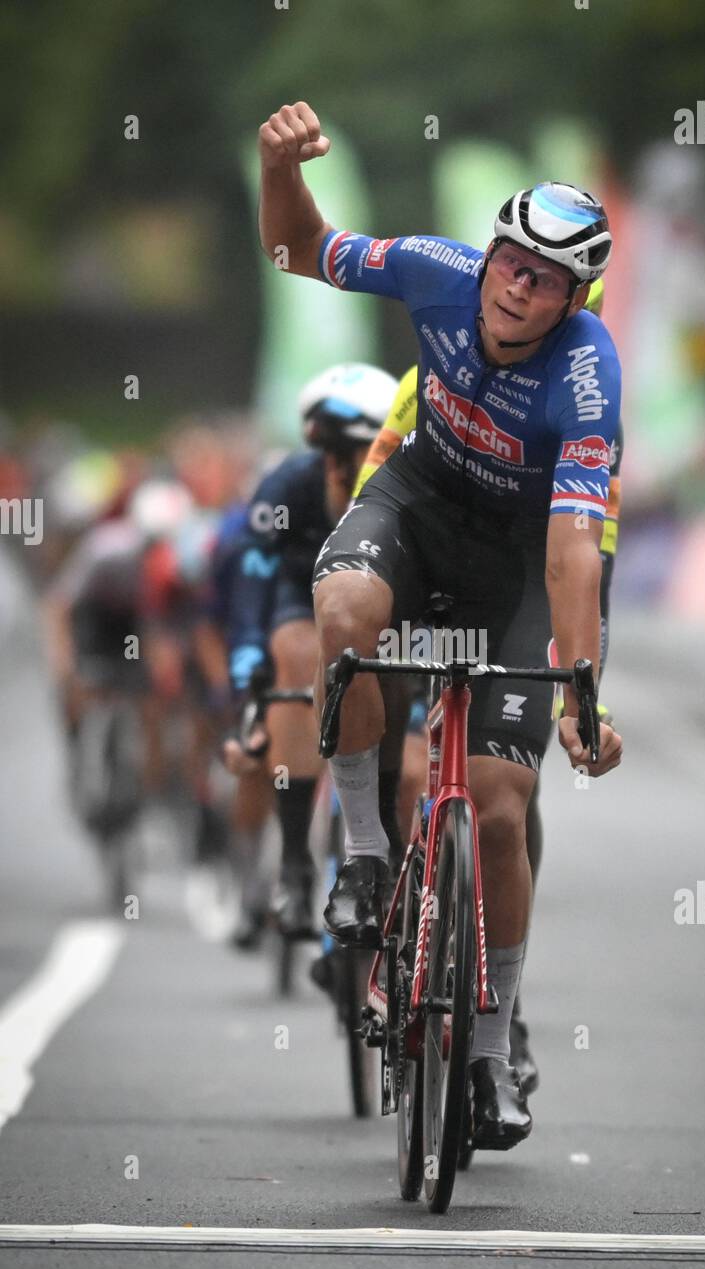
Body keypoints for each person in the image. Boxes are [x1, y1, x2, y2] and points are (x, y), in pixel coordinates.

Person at [257, 100, 623, 1150]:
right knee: (340, 613)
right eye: (510, 259)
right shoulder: (436, 268)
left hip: (520, 556)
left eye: (544, 279)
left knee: (501, 813)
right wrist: (277, 165)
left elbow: (566, 555)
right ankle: (365, 855)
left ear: (574, 296)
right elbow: (296, 245)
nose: (515, 283)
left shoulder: (585, 379)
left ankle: (491, 1042)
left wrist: (582, 692)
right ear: (491, 252)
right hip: (417, 505)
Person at [221, 362, 398, 947]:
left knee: (417, 756)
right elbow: (252, 577)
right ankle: (296, 860)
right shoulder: (287, 487)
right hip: (302, 603)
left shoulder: (405, 484)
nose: (337, 473)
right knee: (300, 652)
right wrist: (248, 664)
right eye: (328, 456)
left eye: (353, 458)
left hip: (391, 609)